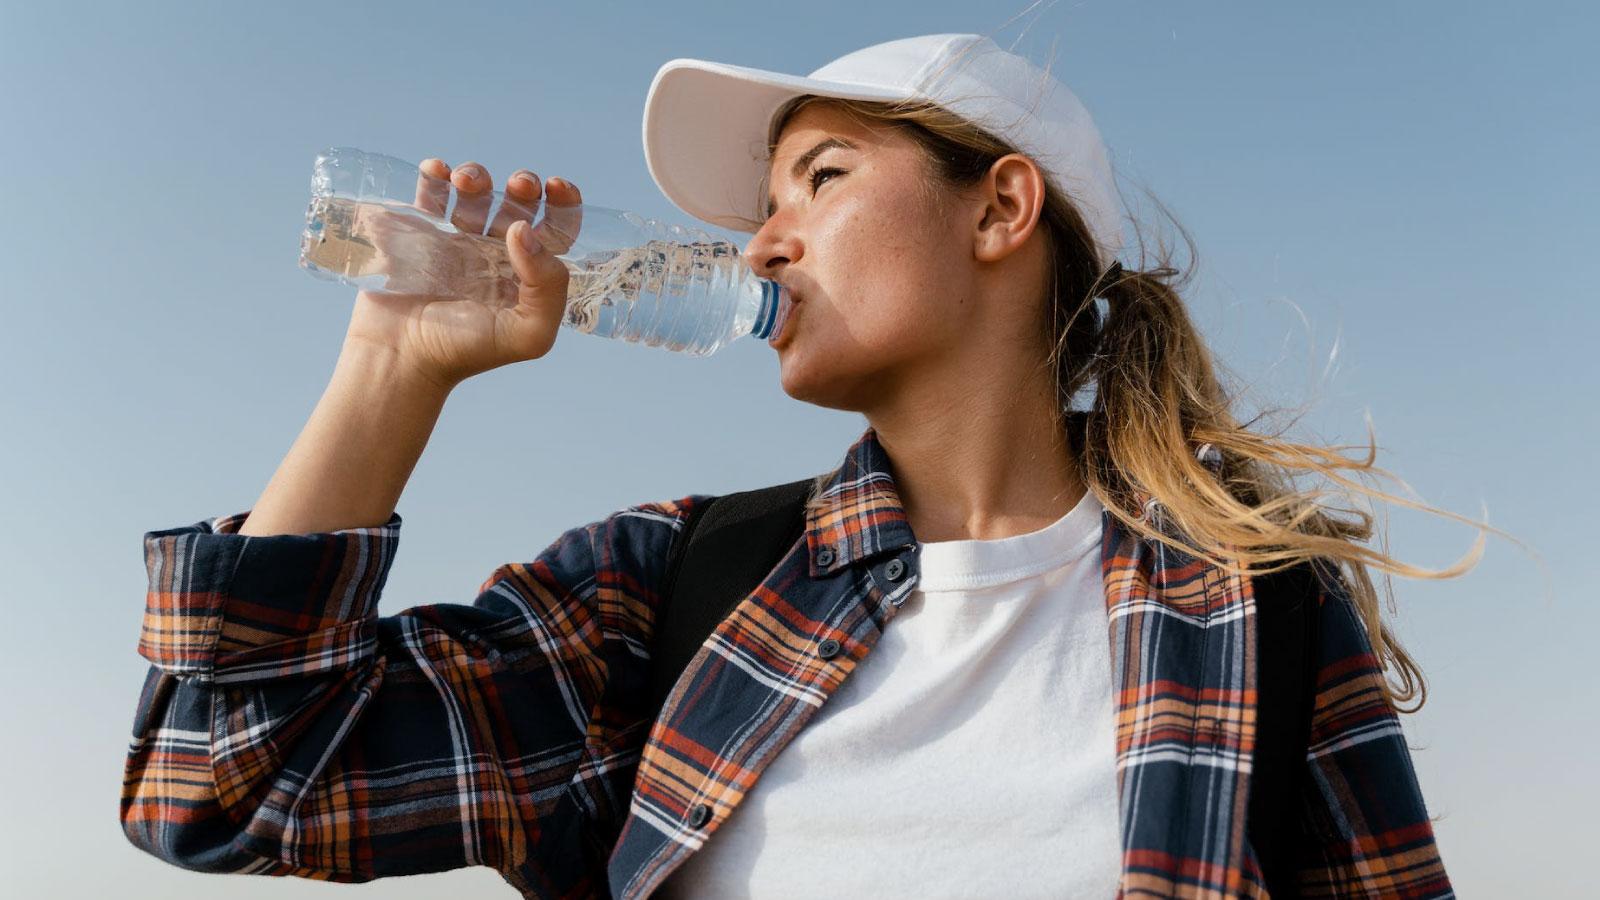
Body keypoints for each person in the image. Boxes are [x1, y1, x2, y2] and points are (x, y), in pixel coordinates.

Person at [121, 34, 1474, 899]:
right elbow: (228, 785)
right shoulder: (669, 585)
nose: (764, 245)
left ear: (1002, 208)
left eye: (820, 180)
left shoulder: (1256, 603)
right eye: (761, 211)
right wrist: (392, 369)